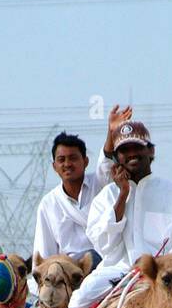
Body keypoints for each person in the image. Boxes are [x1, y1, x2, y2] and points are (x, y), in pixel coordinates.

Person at [60, 120, 172, 308]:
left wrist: (162, 269)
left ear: (151, 151)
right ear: (117, 157)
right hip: (119, 272)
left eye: (137, 147)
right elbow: (104, 245)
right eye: (125, 150)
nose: (132, 154)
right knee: (80, 298)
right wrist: (122, 195)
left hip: (165, 276)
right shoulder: (106, 197)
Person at [32, 106, 130, 260]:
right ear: (54, 166)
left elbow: (106, 160)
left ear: (85, 161)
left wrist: (112, 132)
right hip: (68, 272)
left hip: (105, 261)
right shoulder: (48, 204)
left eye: (73, 158)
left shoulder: (100, 183)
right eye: (61, 160)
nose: (67, 164)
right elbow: (44, 252)